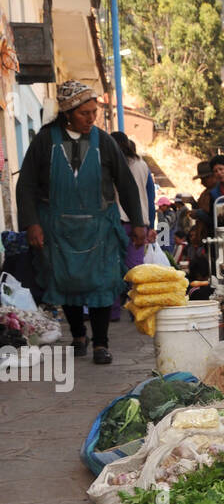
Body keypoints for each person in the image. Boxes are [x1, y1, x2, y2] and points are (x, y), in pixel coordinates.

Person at [16, 82, 145, 364]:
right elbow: (25, 184)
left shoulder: (105, 141)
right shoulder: (45, 141)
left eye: (93, 111)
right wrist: (31, 224)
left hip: (100, 227)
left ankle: (101, 343)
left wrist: (138, 222)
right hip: (56, 228)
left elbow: (125, 183)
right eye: (84, 113)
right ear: (68, 113)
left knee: (102, 283)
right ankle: (78, 335)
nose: (91, 118)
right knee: (66, 282)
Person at [111, 130, 156, 319]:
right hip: (139, 224)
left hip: (115, 222)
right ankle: (137, 311)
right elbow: (150, 197)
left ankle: (112, 312)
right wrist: (151, 225)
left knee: (111, 267)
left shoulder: (110, 164)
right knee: (135, 268)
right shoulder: (142, 165)